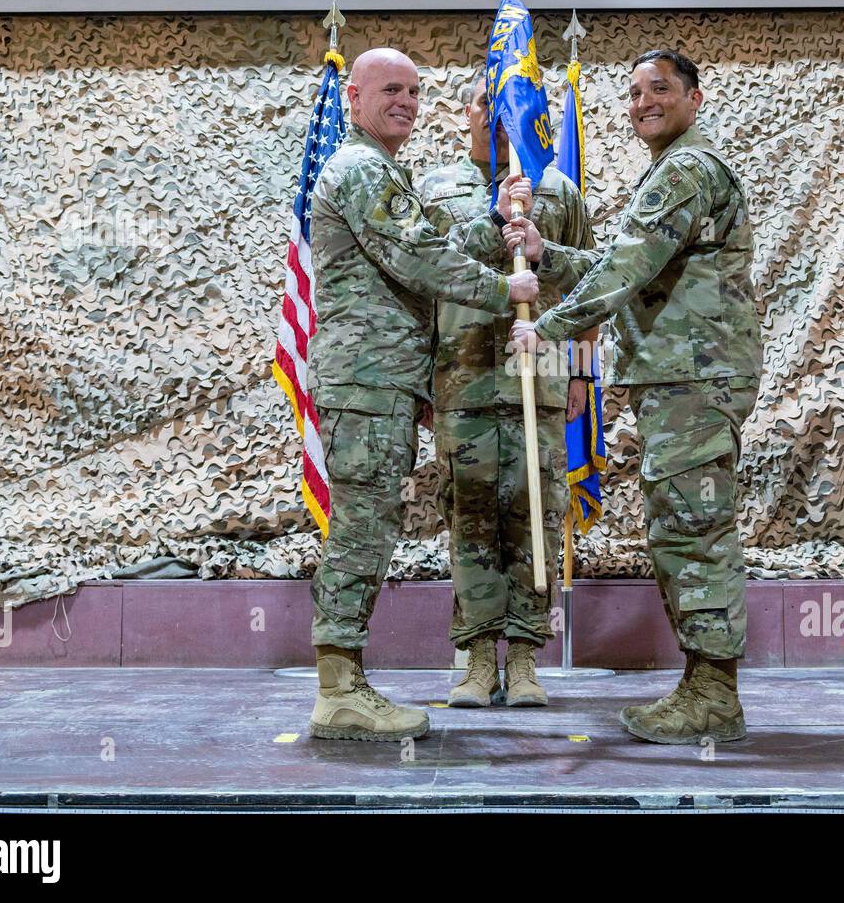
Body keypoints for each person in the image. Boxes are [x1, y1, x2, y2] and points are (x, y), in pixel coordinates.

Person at [508, 49, 761, 744]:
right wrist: (547, 253)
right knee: (681, 525)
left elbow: (627, 265)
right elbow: (633, 260)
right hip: (684, 376)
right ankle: (705, 683)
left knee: (694, 531)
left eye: (660, 88)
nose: (643, 101)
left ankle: (714, 692)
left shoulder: (685, 169)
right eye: (633, 92)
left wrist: (550, 328)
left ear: (695, 97)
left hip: (694, 377)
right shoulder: (676, 168)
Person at [305, 47, 538, 741]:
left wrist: (494, 226)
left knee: (370, 529)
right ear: (353, 95)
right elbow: (420, 258)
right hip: (366, 384)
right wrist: (506, 287)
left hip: (382, 384)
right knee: (359, 532)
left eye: (414, 90)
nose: (405, 101)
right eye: (390, 89)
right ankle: (338, 690)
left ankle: (346, 681)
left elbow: (428, 241)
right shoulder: (359, 169)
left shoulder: (382, 171)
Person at [420, 75, 598, 708]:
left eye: (511, 108)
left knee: (534, 518)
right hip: (461, 376)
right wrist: (421, 381)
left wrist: (578, 371)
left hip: (540, 376)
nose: (496, 119)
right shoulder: (435, 189)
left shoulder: (556, 189)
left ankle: (523, 657)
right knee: (467, 517)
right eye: (483, 105)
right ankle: (473, 656)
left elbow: (587, 285)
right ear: (463, 113)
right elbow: (420, 278)